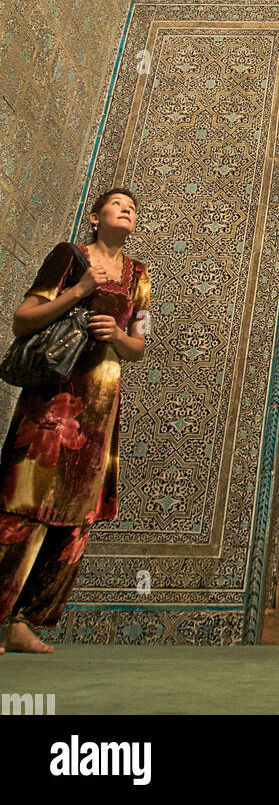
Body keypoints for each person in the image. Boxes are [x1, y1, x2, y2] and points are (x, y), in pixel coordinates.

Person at [0, 189, 150, 653]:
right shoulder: (69, 257)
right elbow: (22, 321)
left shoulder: (141, 276)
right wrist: (81, 293)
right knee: (23, 501)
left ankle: (24, 619)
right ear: (94, 215)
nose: (127, 209)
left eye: (132, 206)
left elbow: (139, 344)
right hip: (55, 395)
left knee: (75, 509)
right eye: (117, 203)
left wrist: (118, 336)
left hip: (102, 400)